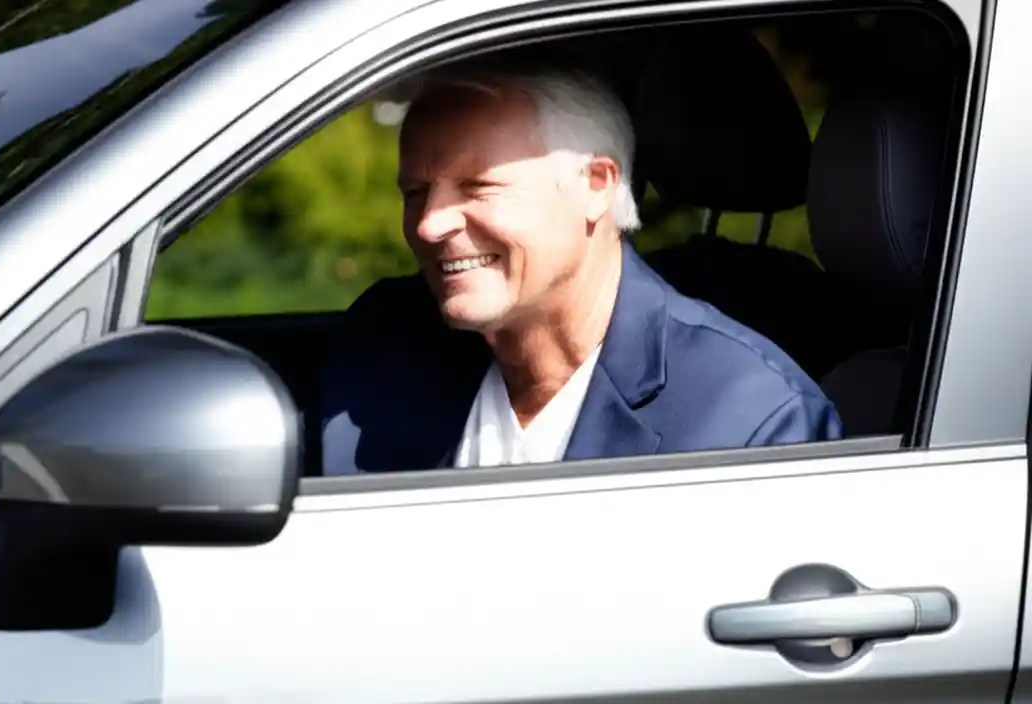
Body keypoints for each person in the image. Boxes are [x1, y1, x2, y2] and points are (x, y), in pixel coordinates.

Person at [319, 59, 842, 475]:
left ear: (595, 186)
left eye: (478, 187)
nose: (429, 224)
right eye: (415, 192)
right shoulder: (385, 343)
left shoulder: (750, 418)